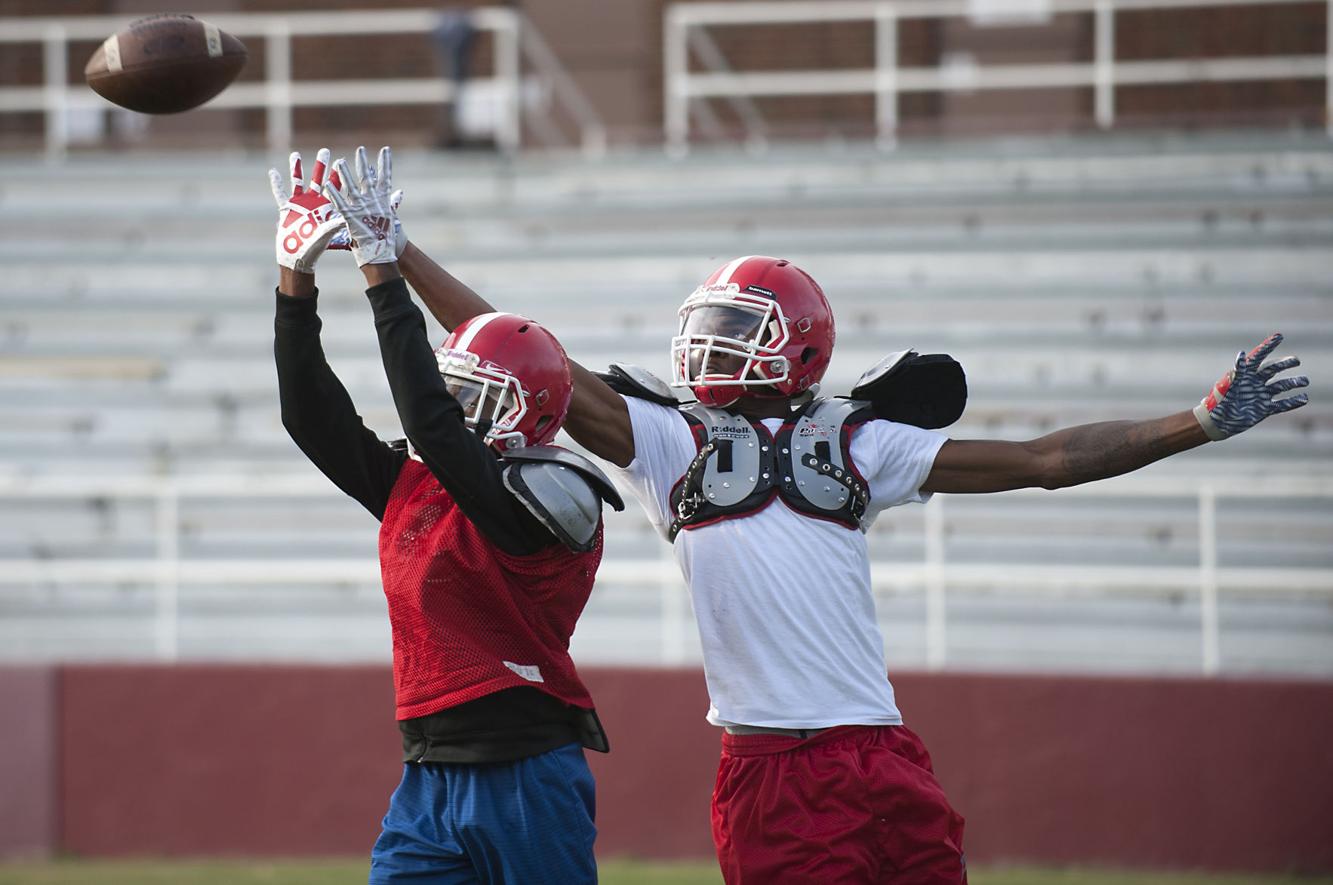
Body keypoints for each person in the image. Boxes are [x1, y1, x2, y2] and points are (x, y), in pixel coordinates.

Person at [364, 148, 1310, 884]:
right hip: (771, 758)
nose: (709, 347)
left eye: (739, 330)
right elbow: (518, 347)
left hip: (884, 750)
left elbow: (1041, 460)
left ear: (800, 348)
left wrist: (1194, 422)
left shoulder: (858, 441)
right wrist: (393, 251)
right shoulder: (667, 440)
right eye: (711, 326)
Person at [268, 146, 622, 885]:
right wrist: (294, 283)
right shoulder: (418, 483)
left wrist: (379, 268)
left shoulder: (550, 496)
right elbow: (309, 417)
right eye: (454, 388)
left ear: (531, 413)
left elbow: (431, 422)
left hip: (525, 765)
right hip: (428, 769)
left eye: (476, 394)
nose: (459, 408)